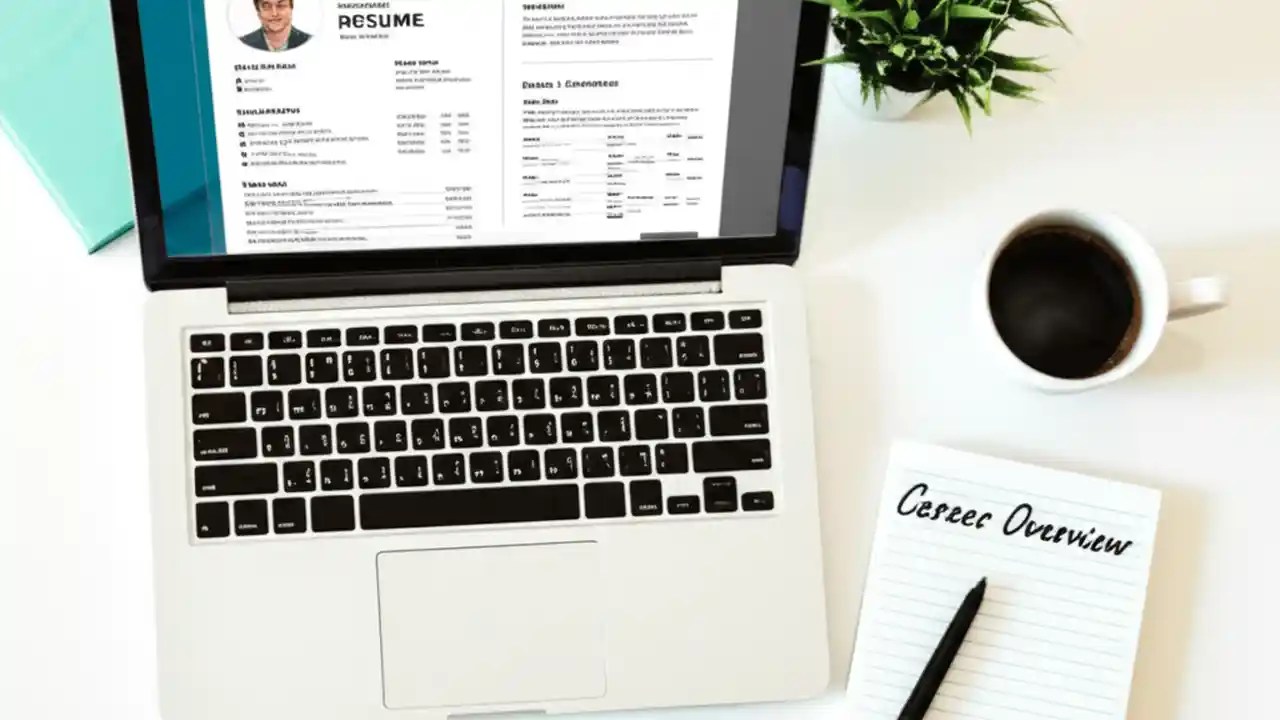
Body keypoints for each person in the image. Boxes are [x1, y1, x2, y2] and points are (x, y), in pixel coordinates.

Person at [239, 0, 310, 52]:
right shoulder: (242, 44)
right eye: (266, 7)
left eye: (281, 5)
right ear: (258, 13)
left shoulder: (309, 42)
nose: (274, 13)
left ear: (291, 9)